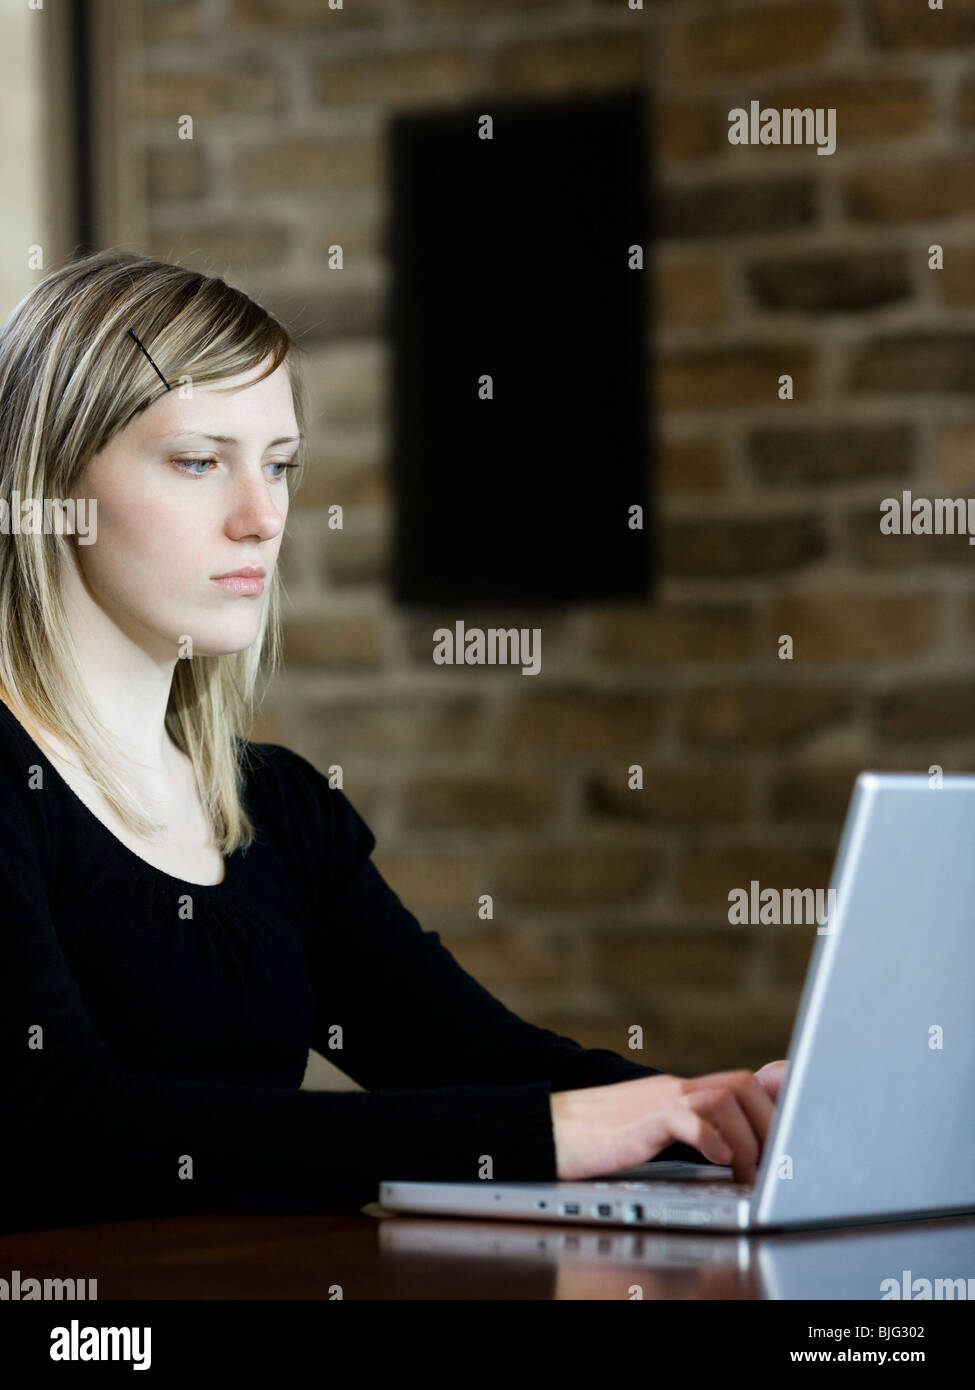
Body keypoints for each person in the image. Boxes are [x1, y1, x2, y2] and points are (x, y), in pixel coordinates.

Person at [0, 249, 787, 1231]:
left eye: (279, 465)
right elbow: (57, 1127)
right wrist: (547, 1135)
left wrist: (726, 1112)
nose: (263, 516)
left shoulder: (278, 811)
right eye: (199, 461)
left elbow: (475, 1059)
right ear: (47, 486)